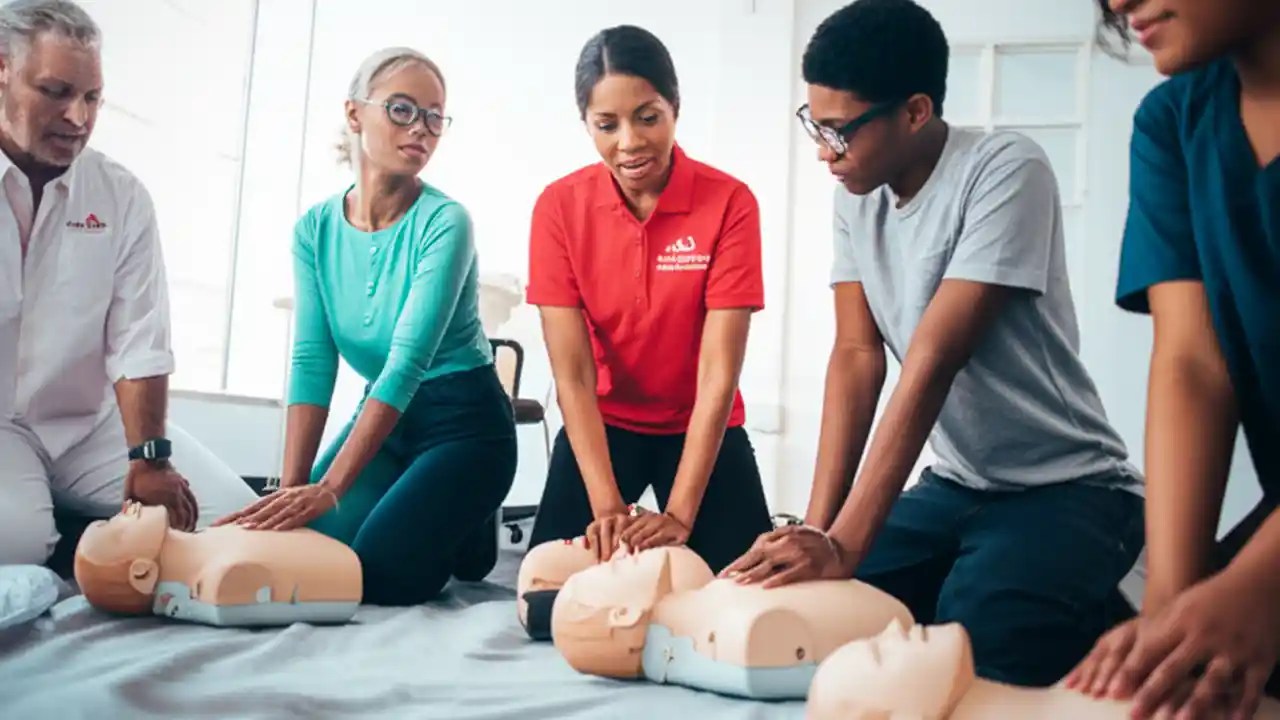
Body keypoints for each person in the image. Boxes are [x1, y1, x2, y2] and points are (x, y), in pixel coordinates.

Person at [722, 0, 1146, 688]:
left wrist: (846, 545)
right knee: (819, 612)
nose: (823, 151)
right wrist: (819, 532)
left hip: (1069, 488)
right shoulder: (854, 195)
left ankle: (1090, 606)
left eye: (839, 131)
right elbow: (857, 358)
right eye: (815, 126)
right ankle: (1067, 598)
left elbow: (933, 360)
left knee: (975, 639)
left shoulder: (1007, 167)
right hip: (955, 484)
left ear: (915, 111)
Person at [214, 47, 516, 606]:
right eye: (401, 110)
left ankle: (468, 516)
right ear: (354, 114)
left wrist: (330, 489)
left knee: (380, 574)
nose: (420, 129)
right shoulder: (314, 229)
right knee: (311, 542)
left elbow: (405, 365)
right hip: (384, 428)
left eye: (433, 116)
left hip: (465, 424)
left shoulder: (446, 222)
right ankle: (451, 510)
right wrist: (294, 493)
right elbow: (312, 360)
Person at [1064, 2, 1280, 719]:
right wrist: (1168, 605)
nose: (1118, 3)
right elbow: (1193, 364)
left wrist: (1262, 585)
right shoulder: (1174, 124)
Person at [0, 0, 256, 566]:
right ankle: (68, 530)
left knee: (235, 522)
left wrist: (150, 458)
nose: (78, 117)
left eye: (92, 98)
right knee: (16, 546)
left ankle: (90, 516)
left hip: (91, 425)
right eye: (56, 92)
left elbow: (140, 339)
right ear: (2, 71)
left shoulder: (122, 196)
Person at [525, 25, 773, 575]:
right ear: (586, 124)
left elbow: (718, 373)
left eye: (648, 117)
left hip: (701, 424)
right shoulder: (558, 208)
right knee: (547, 591)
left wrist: (681, 513)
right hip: (605, 424)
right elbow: (573, 375)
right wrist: (607, 507)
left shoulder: (730, 202)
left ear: (675, 108)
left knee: (746, 589)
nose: (630, 143)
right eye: (606, 125)